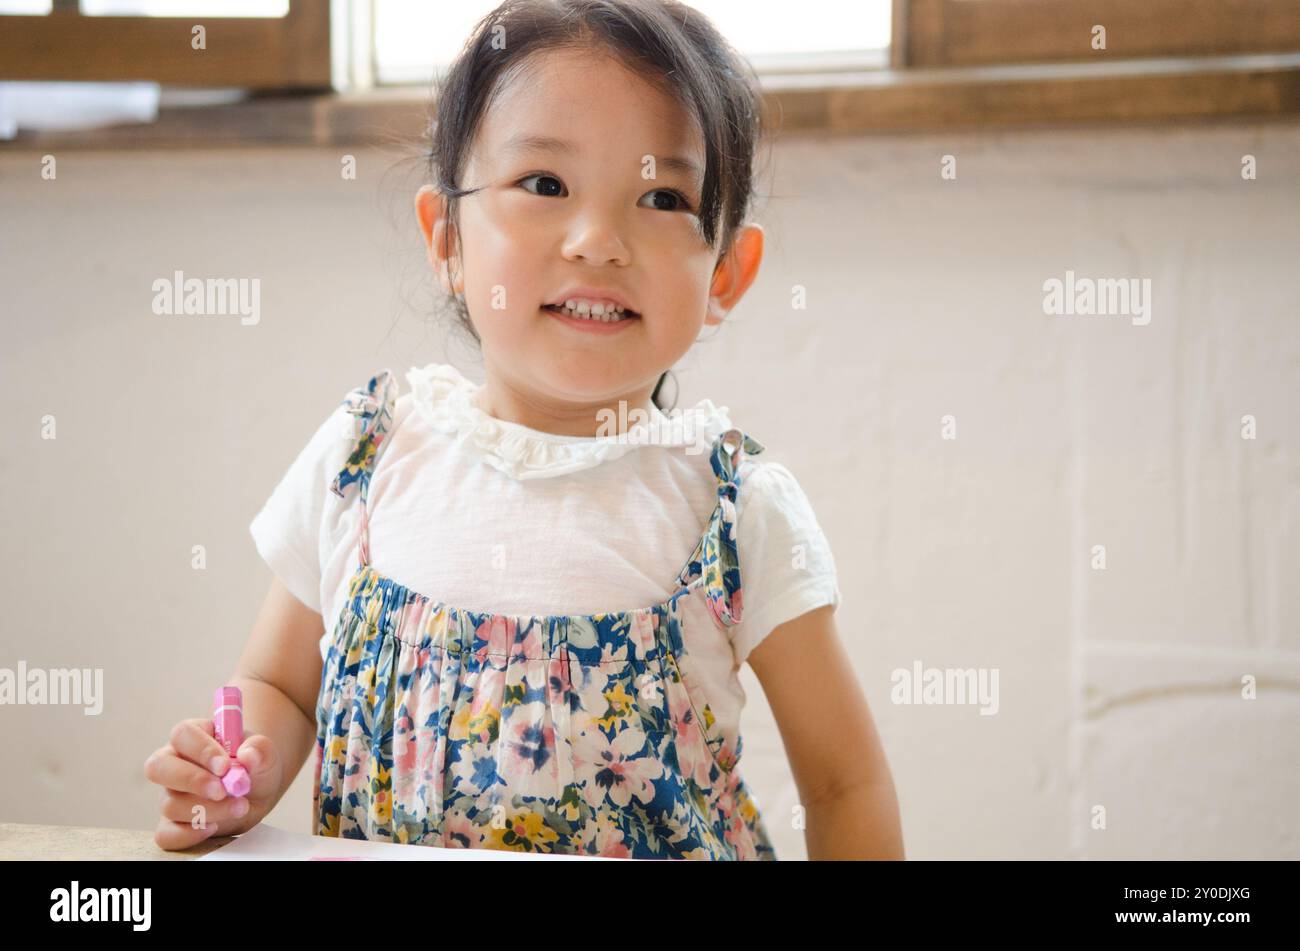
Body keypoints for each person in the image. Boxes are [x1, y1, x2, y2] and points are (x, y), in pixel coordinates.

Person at [144, 0, 902, 860]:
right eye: (545, 185)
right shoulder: (364, 457)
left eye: (661, 196)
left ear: (726, 271)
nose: (598, 240)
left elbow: (846, 784)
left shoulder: (733, 507)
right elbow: (279, 685)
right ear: (448, 239)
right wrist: (234, 774)